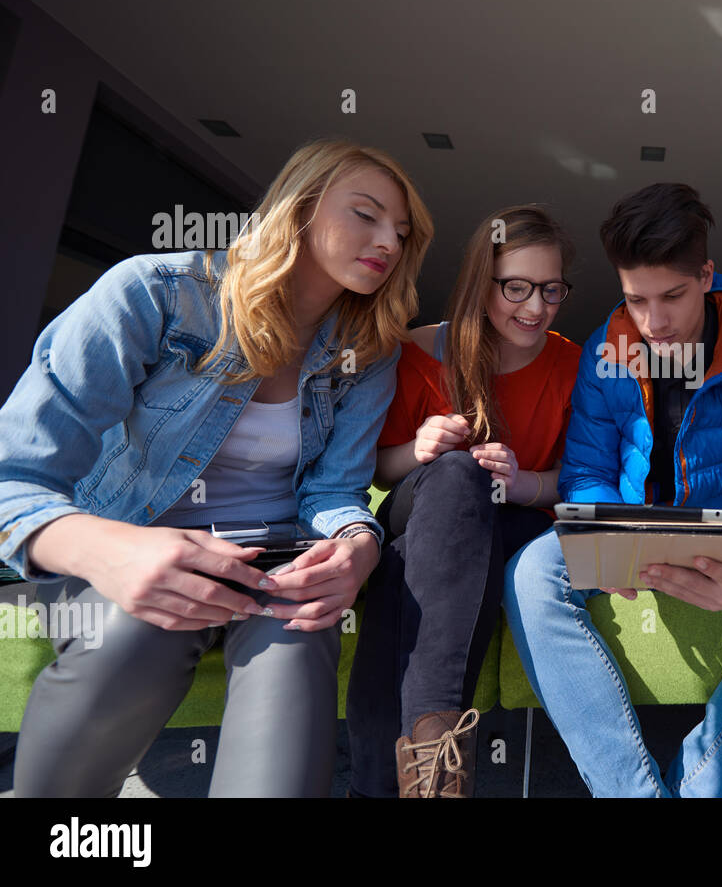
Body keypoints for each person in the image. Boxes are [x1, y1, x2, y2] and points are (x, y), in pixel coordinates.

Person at [0, 138, 433, 797]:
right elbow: (16, 476)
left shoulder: (367, 352)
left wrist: (358, 543)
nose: (388, 242)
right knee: (136, 634)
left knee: (298, 632)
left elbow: (334, 488)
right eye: (366, 214)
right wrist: (114, 553)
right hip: (119, 551)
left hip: (276, 562)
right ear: (298, 209)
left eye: (401, 232)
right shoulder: (153, 295)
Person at [503, 182, 722, 797]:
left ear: (706, 274)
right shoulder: (605, 352)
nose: (655, 321)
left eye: (672, 295)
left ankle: (700, 787)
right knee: (530, 574)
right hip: (631, 522)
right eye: (635, 299)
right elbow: (586, 472)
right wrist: (608, 535)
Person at [347, 206, 581, 798]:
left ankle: (377, 787)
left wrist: (524, 478)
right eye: (517, 287)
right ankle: (436, 765)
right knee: (454, 474)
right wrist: (418, 447)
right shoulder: (418, 351)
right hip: (425, 503)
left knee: (402, 563)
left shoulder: (573, 365)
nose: (536, 306)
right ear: (483, 282)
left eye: (551, 289)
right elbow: (374, 467)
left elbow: (578, 481)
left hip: (516, 521)